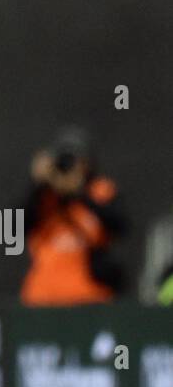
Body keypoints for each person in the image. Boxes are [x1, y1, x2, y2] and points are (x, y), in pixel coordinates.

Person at [20, 127, 126, 306]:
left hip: (91, 297)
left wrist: (79, 194)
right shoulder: (44, 197)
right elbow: (15, 227)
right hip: (42, 298)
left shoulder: (100, 191)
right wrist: (36, 186)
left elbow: (120, 226)